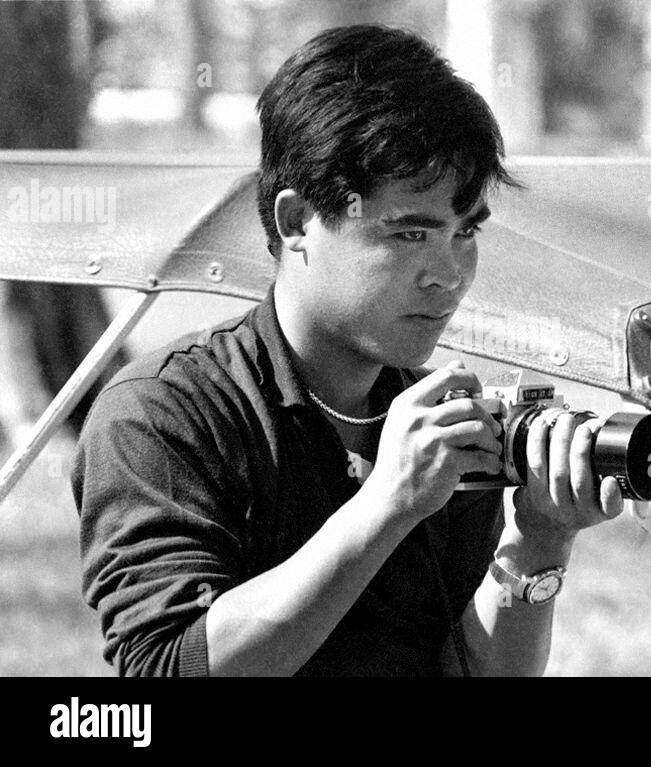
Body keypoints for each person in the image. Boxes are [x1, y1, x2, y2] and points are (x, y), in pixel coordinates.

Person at [72, 24, 623, 677]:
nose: (448, 273)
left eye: (464, 232)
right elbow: (169, 668)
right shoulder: (166, 413)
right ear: (297, 220)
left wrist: (538, 542)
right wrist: (385, 504)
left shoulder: (439, 426)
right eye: (409, 232)